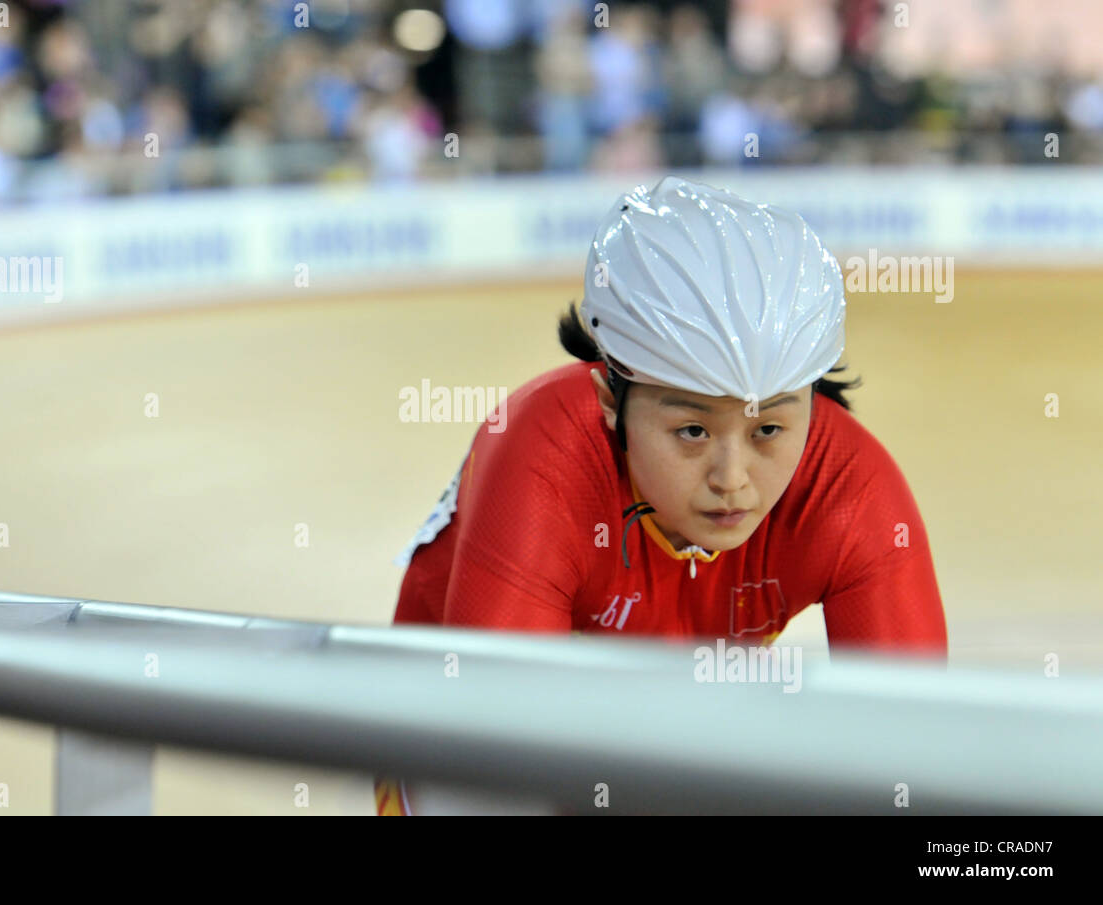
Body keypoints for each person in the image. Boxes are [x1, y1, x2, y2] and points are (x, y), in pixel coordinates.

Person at [375, 175, 948, 816]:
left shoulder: (852, 487)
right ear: (607, 400)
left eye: (769, 429)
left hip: (663, 715)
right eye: (693, 430)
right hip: (459, 725)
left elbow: (912, 757)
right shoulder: (543, 449)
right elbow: (495, 745)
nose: (732, 478)